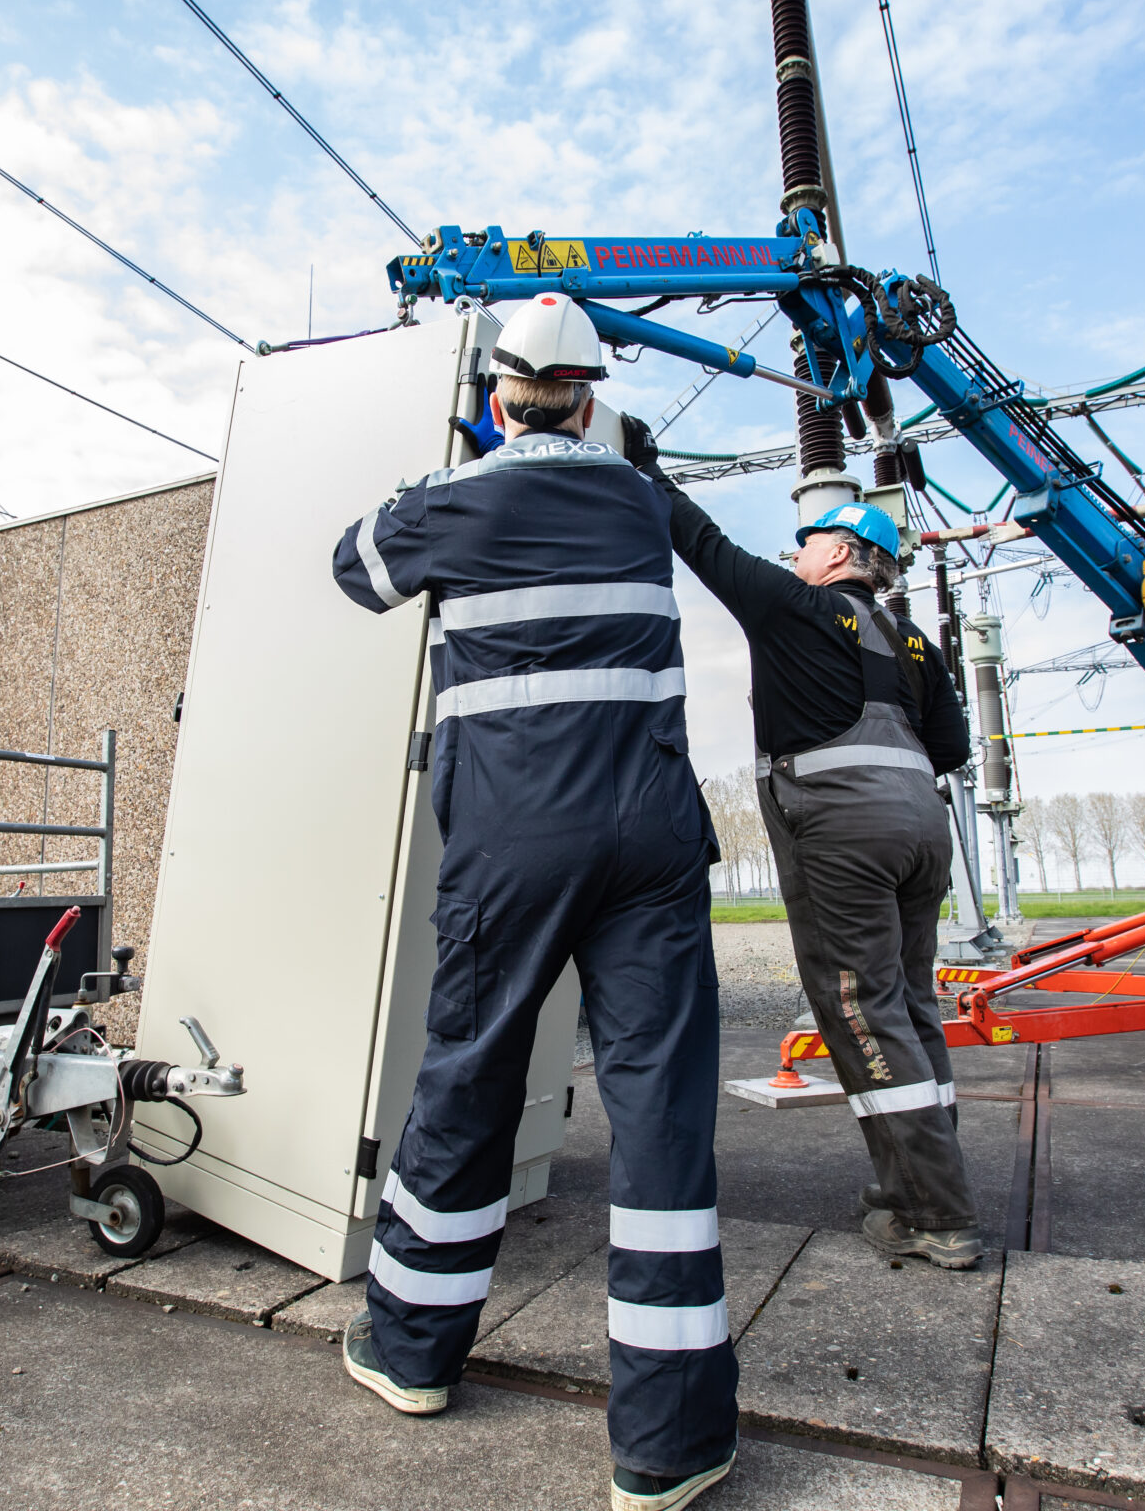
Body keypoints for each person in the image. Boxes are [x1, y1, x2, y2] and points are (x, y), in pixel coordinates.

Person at [332, 292, 739, 1511]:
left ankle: (410, 1353)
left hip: (515, 844)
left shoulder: (457, 501)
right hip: (654, 840)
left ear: (502, 393)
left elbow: (350, 568)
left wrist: (452, 467)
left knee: (469, 1075)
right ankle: (667, 1443)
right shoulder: (640, 501)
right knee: (659, 1107)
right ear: (593, 394)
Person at [629, 430, 981, 1269]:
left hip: (841, 829)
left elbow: (700, 543)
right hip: (924, 833)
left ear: (844, 555)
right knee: (911, 1007)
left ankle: (937, 1211)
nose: (797, 550)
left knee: (860, 1006)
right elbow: (954, 749)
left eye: (810, 541)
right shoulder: (916, 642)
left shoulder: (794, 607)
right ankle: (915, 1186)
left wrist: (648, 471)